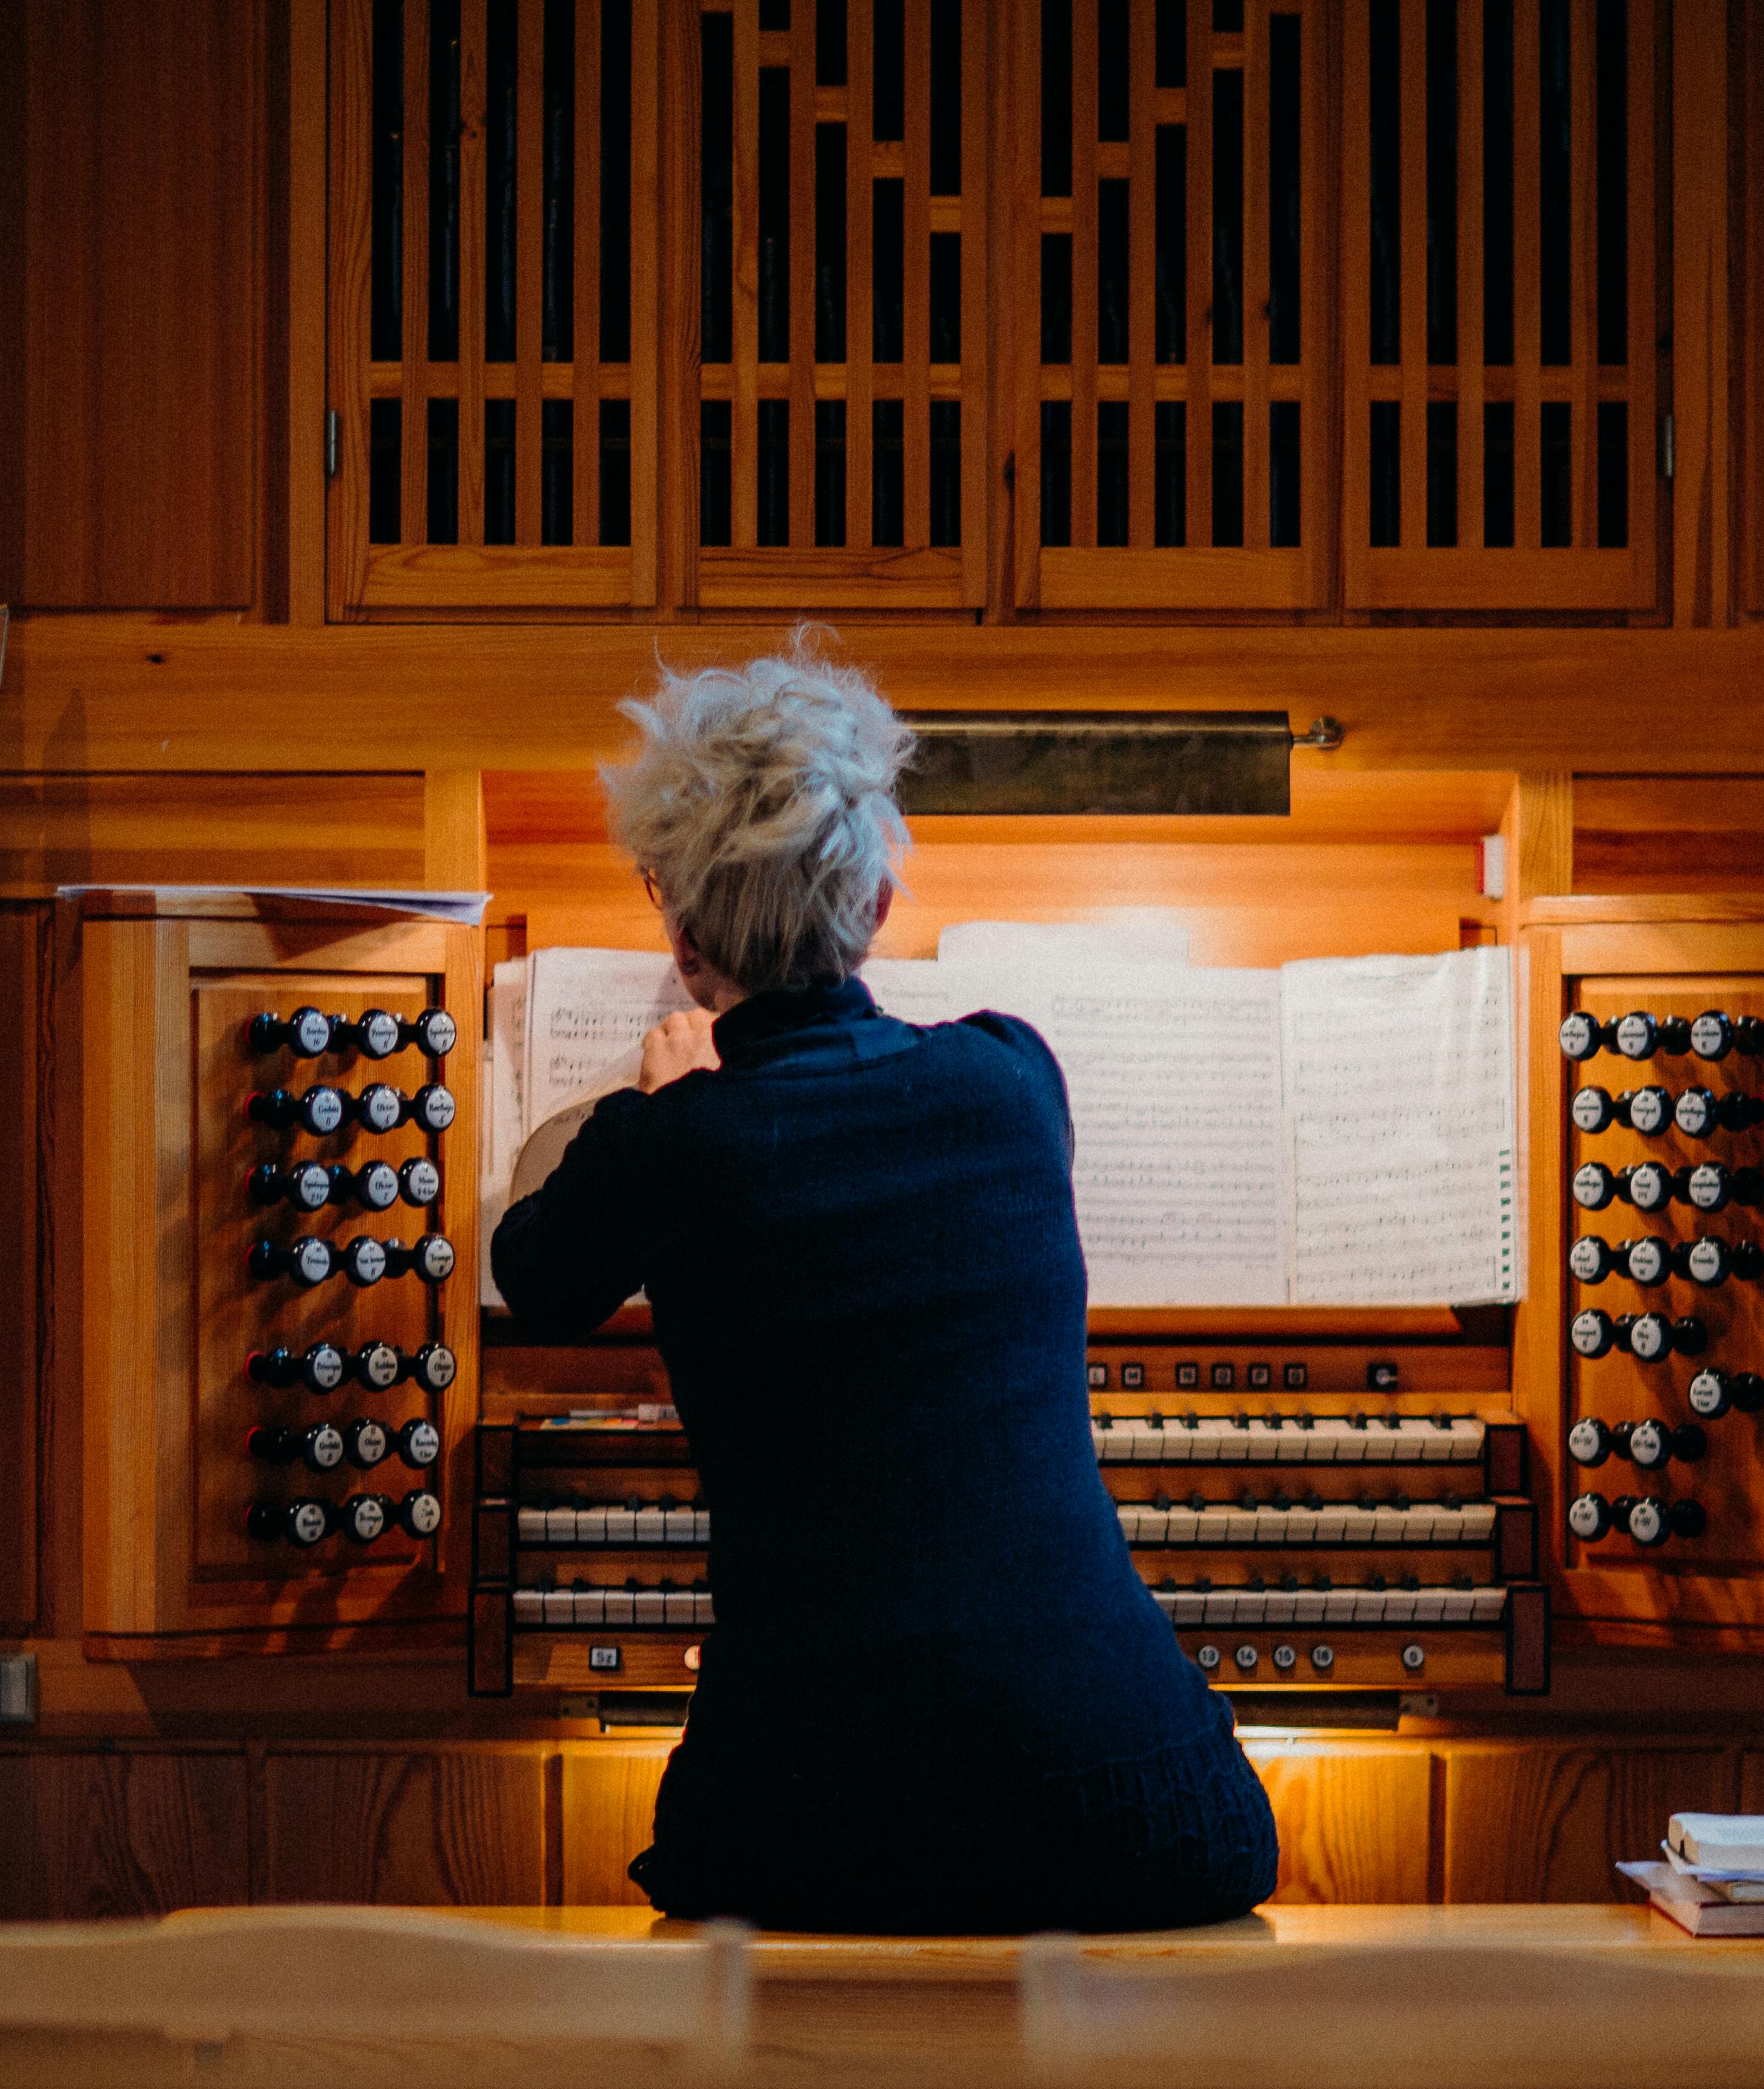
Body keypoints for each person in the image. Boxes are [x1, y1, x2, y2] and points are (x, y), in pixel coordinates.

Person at [491, 636, 1280, 1932]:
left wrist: (671, 1106)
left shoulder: (671, 1143)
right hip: (1144, 1814)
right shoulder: (1016, 1077)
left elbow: (540, 1276)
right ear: (873, 909)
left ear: (679, 932)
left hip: (808, 1827)